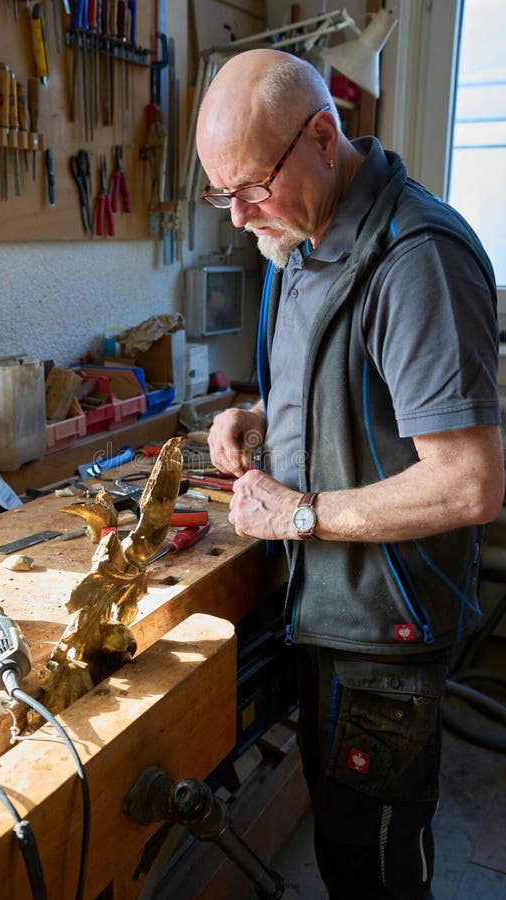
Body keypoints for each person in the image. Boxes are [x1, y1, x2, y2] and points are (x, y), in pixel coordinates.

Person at [196, 48, 504, 900]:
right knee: (342, 838)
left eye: (250, 187)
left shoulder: (417, 261)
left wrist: (299, 515)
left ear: (323, 137)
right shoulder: (300, 236)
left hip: (384, 631)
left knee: (374, 869)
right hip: (324, 610)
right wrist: (263, 417)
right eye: (222, 194)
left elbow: (469, 482)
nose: (237, 216)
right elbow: (344, 390)